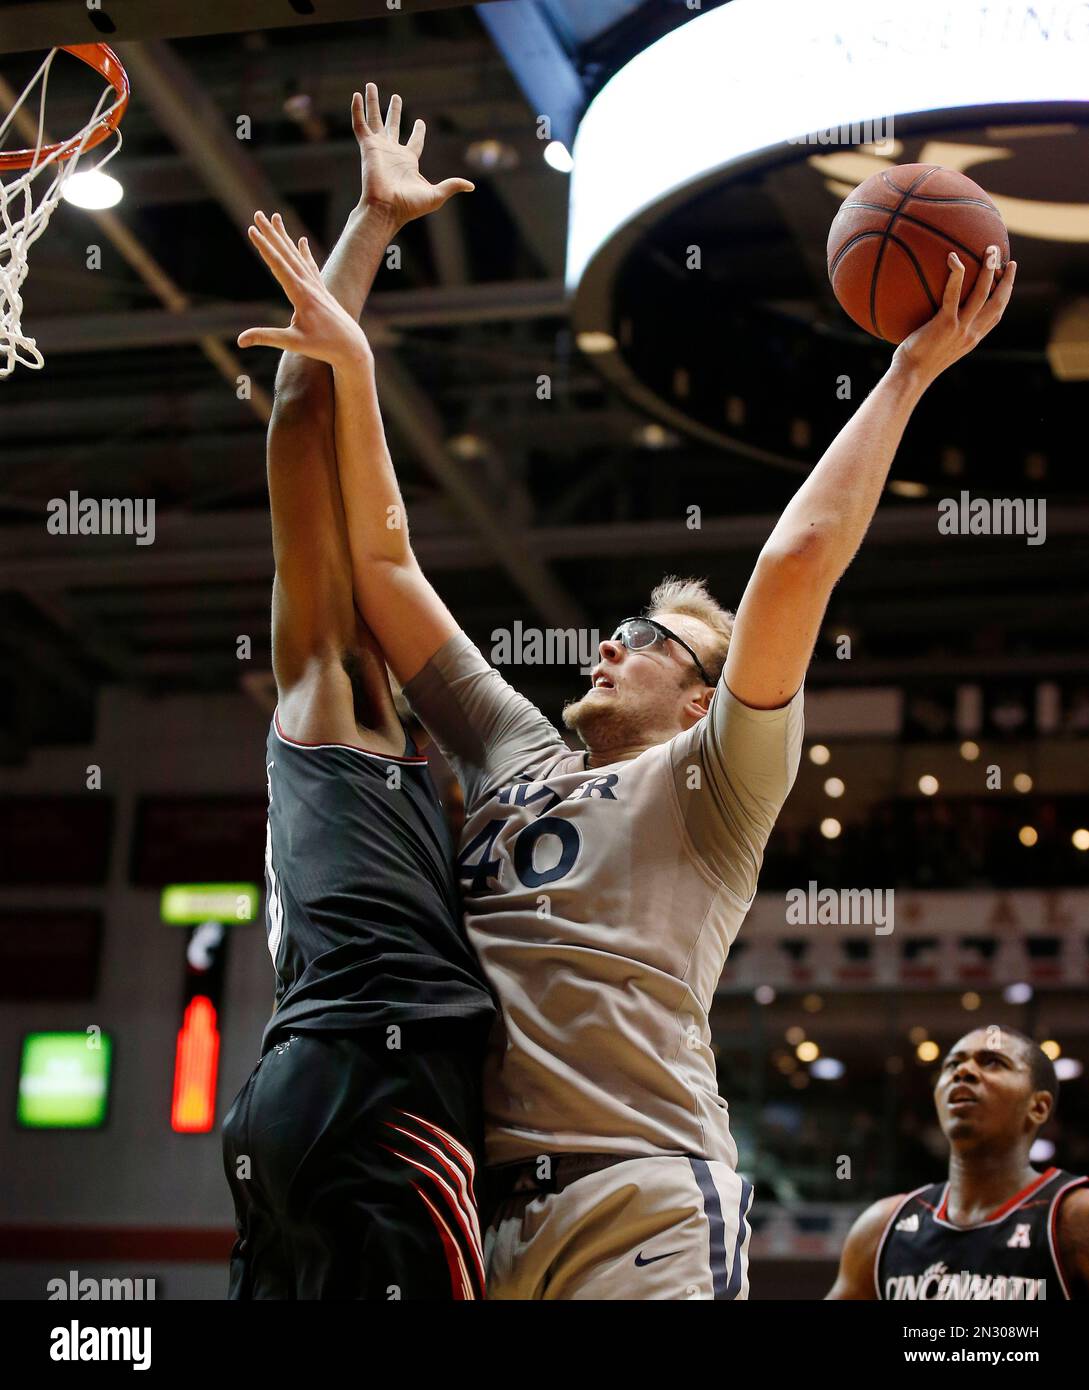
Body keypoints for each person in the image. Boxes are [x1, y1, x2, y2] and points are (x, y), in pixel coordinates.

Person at [237, 83, 1016, 1300]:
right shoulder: (518, 750)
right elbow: (384, 568)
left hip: (640, 1195)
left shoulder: (719, 784)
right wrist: (359, 347)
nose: (608, 646)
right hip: (480, 1215)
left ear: (706, 695)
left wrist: (910, 372)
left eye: (648, 638)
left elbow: (795, 562)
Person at [221, 90, 493, 1300]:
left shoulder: (365, 730)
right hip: (376, 1094)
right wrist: (370, 230)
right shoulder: (342, 698)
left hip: (295, 1090)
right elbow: (300, 409)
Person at [827, 1026, 1089, 1300]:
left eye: (993, 1062)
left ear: (1038, 1107)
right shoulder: (881, 1226)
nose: (963, 1071)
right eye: (952, 1064)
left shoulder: (1075, 1217)